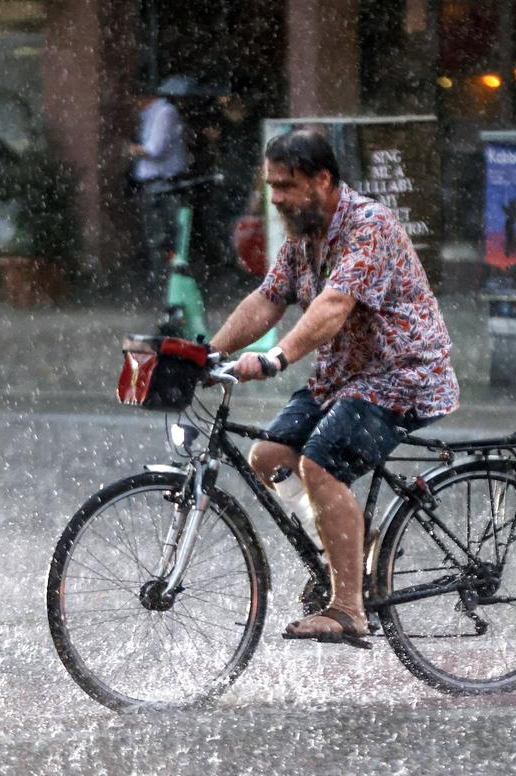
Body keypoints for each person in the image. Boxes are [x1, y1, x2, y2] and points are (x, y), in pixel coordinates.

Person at [207, 129, 459, 648]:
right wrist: (209, 353)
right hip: (344, 376)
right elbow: (267, 299)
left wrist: (276, 357)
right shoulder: (303, 234)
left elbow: (333, 306)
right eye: (271, 185)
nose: (275, 197)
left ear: (322, 180)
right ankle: (353, 545)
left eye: (286, 185)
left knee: (318, 463)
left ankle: (349, 607)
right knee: (269, 455)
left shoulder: (369, 227)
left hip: (404, 375)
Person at [128, 80, 189, 290]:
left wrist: (132, 150)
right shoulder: (146, 116)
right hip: (152, 184)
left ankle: (169, 279)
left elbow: (155, 149)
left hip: (164, 183)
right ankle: (160, 278)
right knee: (155, 235)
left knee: (166, 234)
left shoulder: (164, 112)